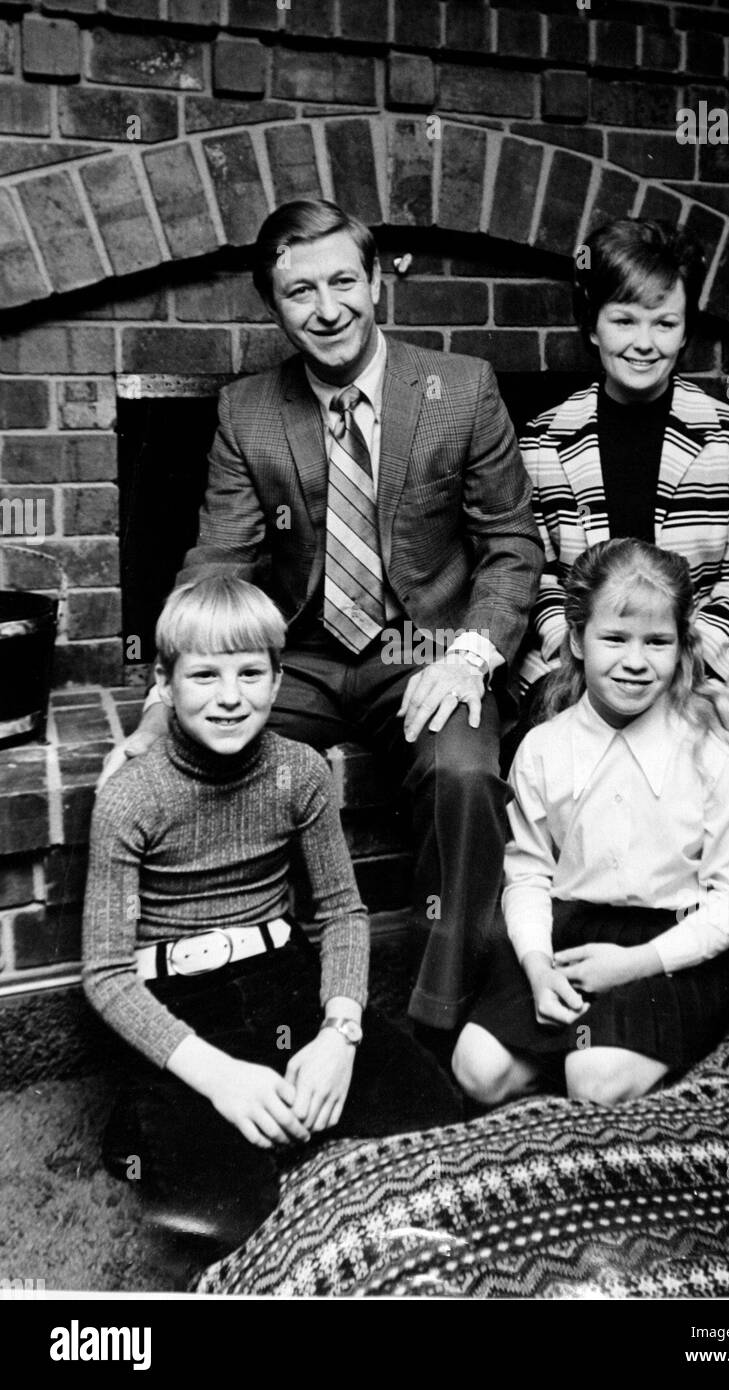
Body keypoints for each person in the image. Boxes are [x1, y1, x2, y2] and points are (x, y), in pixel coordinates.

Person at [99, 198, 543, 1037]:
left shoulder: (461, 388)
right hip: (301, 654)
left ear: (376, 283)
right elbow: (219, 562)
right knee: (205, 746)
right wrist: (164, 705)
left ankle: (442, 1016)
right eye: (300, 292)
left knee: (464, 773)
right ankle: (250, 997)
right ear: (275, 305)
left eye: (344, 281)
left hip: (427, 649)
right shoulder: (249, 412)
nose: (328, 308)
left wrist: (470, 658)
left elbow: (513, 547)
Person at [82, 577, 462, 1255]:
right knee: (226, 1214)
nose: (231, 697)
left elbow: (344, 911)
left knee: (433, 1114)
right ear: (163, 684)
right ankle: (151, 1112)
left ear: (278, 677)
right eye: (204, 675)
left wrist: (339, 1035)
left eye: (251, 673)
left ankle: (271, 1091)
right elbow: (108, 975)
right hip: (180, 999)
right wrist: (217, 1076)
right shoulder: (129, 798)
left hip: (283, 975)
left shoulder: (301, 772)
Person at [453, 539, 729, 1110]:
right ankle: (579, 1046)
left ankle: (603, 1055)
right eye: (615, 638)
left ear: (682, 646)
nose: (636, 661)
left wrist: (633, 966)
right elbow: (529, 875)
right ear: (577, 640)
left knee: (594, 1080)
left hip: (673, 942)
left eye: (657, 642)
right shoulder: (543, 747)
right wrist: (535, 964)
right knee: (476, 1072)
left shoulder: (707, 752)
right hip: (575, 930)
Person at [519, 218, 729, 730]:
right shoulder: (545, 437)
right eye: (624, 321)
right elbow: (537, 574)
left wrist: (680, 656)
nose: (644, 342)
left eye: (664, 323)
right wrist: (581, 656)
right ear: (592, 326)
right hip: (574, 676)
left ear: (685, 333)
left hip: (696, 674)